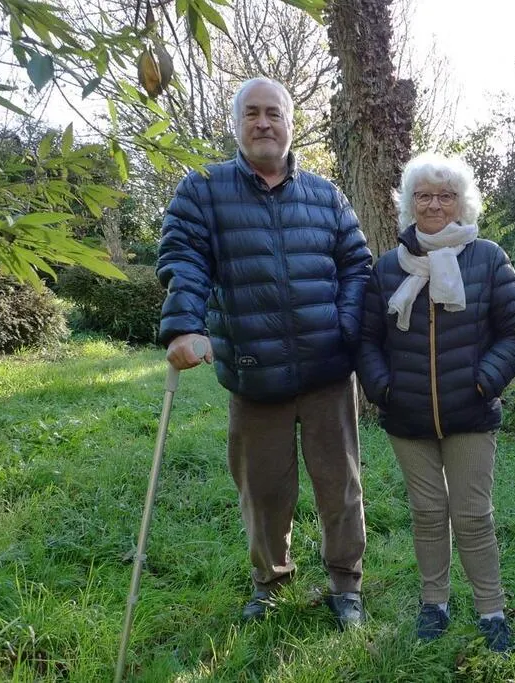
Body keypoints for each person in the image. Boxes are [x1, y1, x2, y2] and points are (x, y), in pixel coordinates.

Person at [156, 76, 372, 629]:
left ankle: (345, 586)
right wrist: (183, 325)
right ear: (235, 124)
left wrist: (346, 327)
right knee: (263, 491)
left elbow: (356, 264)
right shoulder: (203, 189)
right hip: (254, 374)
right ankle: (270, 581)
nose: (262, 123)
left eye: (273, 113)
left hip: (327, 372)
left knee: (340, 487)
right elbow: (184, 256)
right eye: (251, 113)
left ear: (290, 124)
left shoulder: (326, 195)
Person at [356, 152, 515, 651]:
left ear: (463, 203)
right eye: (424, 195)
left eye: (446, 195)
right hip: (406, 416)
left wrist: (481, 382)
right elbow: (367, 339)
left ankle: (491, 610)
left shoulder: (488, 258)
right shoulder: (389, 266)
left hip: (470, 414)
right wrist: (384, 389)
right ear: (410, 204)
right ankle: (434, 603)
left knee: (473, 515)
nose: (434, 204)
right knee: (428, 513)